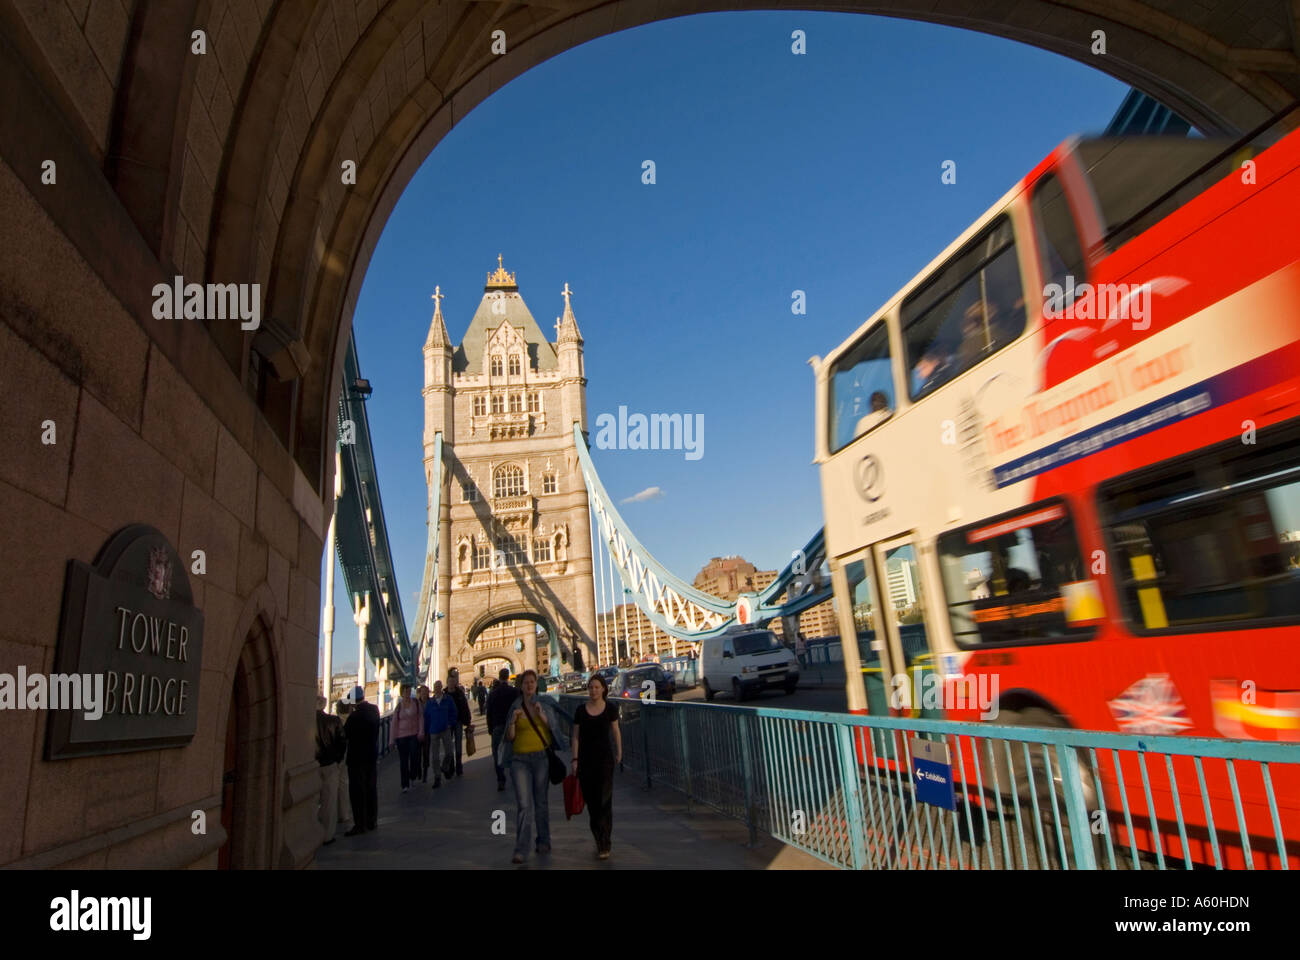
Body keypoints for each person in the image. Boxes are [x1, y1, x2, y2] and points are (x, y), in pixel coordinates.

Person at [502, 669, 569, 863]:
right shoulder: (515, 706)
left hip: (541, 759)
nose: (529, 685)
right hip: (519, 760)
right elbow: (509, 737)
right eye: (526, 682)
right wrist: (513, 722)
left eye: (532, 682)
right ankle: (521, 849)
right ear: (521, 686)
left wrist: (542, 716)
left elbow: (554, 728)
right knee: (524, 805)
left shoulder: (545, 703)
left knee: (541, 803)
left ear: (536, 685)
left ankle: (544, 841)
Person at [570, 673, 622, 859]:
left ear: (603, 689)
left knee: (605, 803)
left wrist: (619, 752)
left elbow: (616, 731)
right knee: (592, 805)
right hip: (585, 762)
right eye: (591, 687)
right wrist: (574, 760)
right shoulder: (580, 711)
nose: (593, 690)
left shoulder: (610, 709)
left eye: (597, 687)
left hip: (605, 761)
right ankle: (598, 837)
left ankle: (605, 843)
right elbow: (575, 736)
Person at [342, 686, 380, 835]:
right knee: (371, 788)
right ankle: (372, 820)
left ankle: (360, 824)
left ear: (352, 702)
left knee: (357, 792)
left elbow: (345, 735)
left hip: (356, 758)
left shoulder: (354, 717)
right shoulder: (375, 710)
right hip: (372, 755)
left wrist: (350, 715)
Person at [315, 695, 348, 845]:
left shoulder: (305, 720)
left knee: (311, 799)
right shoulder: (333, 721)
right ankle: (327, 835)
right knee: (329, 800)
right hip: (330, 764)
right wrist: (338, 759)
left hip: (312, 764)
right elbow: (342, 742)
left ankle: (311, 830)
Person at [387, 683, 424, 792]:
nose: (407, 694)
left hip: (414, 734)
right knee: (403, 761)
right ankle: (405, 784)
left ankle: (412, 776)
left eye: (409, 691)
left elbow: (421, 718)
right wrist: (391, 740)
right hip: (401, 736)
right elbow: (394, 724)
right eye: (405, 692)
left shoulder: (416, 703)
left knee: (414, 757)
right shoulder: (398, 707)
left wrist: (421, 731)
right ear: (401, 694)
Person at [485, 667, 516, 791]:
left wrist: (490, 728)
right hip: (511, 726)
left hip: (497, 726)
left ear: (499, 676)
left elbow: (489, 713)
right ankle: (515, 776)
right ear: (508, 677)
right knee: (514, 752)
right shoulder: (514, 692)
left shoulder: (493, 693)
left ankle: (501, 779)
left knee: (497, 754)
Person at [423, 680, 457, 788]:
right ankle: (437, 777)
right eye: (435, 687)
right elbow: (426, 717)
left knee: (450, 753)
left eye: (439, 686)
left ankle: (445, 766)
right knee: (435, 756)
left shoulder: (448, 699)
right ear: (434, 689)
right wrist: (427, 730)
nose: (437, 689)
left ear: (441, 687)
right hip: (433, 731)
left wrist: (450, 723)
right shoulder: (430, 703)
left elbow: (454, 712)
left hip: (445, 729)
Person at [446, 670, 473, 777]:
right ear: (447, 683)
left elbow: (465, 708)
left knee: (458, 744)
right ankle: (451, 765)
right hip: (447, 723)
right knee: (448, 745)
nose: (452, 683)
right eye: (450, 681)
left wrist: (468, 721)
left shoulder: (459, 693)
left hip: (458, 721)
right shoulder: (444, 694)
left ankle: (459, 765)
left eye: (453, 681)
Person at [415, 685, 431, 781]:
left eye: (426, 692)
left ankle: (425, 771)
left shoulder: (431, 702)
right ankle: (419, 770)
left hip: (428, 731)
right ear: (420, 693)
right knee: (417, 753)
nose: (424, 694)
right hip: (417, 731)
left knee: (426, 752)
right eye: (423, 692)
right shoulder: (416, 704)